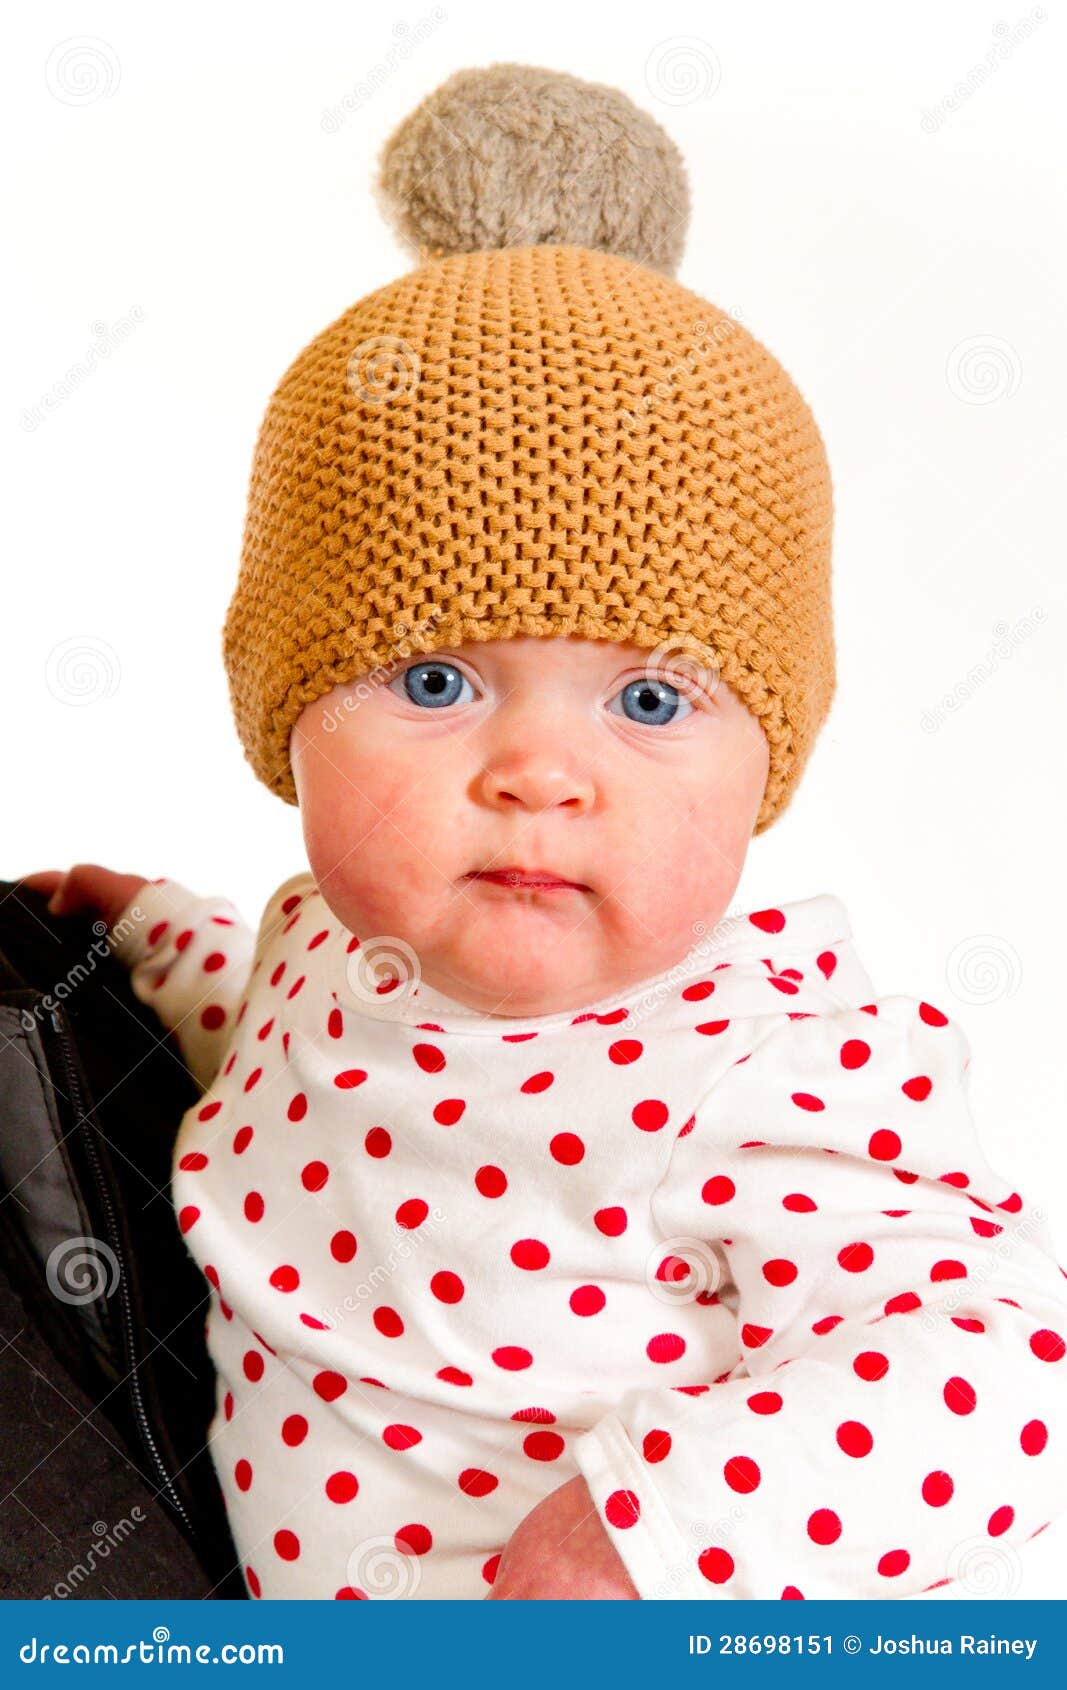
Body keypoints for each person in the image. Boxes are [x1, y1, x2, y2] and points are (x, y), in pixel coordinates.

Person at [21, 62, 1067, 1600]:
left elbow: (1004, 1377)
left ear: (767, 756)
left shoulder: (763, 1061)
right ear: (281, 710)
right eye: (436, 681)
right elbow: (290, 1043)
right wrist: (141, 932)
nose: (540, 774)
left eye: (648, 700)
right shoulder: (335, 952)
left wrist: (661, 1527)